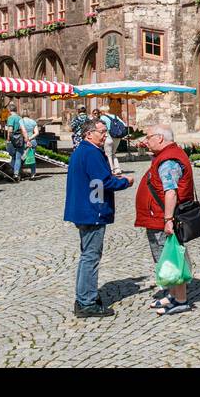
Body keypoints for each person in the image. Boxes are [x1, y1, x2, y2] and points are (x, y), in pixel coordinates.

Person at [63, 118, 133, 318]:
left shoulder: (83, 150)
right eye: (101, 132)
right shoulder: (91, 153)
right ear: (88, 134)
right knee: (90, 257)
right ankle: (86, 302)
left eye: (105, 132)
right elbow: (101, 183)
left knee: (88, 255)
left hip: (84, 209)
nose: (105, 136)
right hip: (91, 211)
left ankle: (84, 297)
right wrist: (125, 182)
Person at [135, 124, 195, 315]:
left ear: (160, 138)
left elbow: (171, 192)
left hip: (164, 218)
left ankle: (181, 300)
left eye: (148, 137)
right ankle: (172, 295)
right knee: (165, 256)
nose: (146, 141)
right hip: (157, 216)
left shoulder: (169, 160)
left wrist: (168, 219)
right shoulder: (166, 155)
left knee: (171, 258)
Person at [5, 105, 32, 180]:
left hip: (12, 140)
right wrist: (27, 140)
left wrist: (8, 139)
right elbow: (23, 130)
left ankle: (15, 171)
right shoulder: (20, 118)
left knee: (10, 156)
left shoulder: (10, 118)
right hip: (20, 139)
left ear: (9, 110)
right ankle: (16, 173)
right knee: (18, 157)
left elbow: (10, 129)